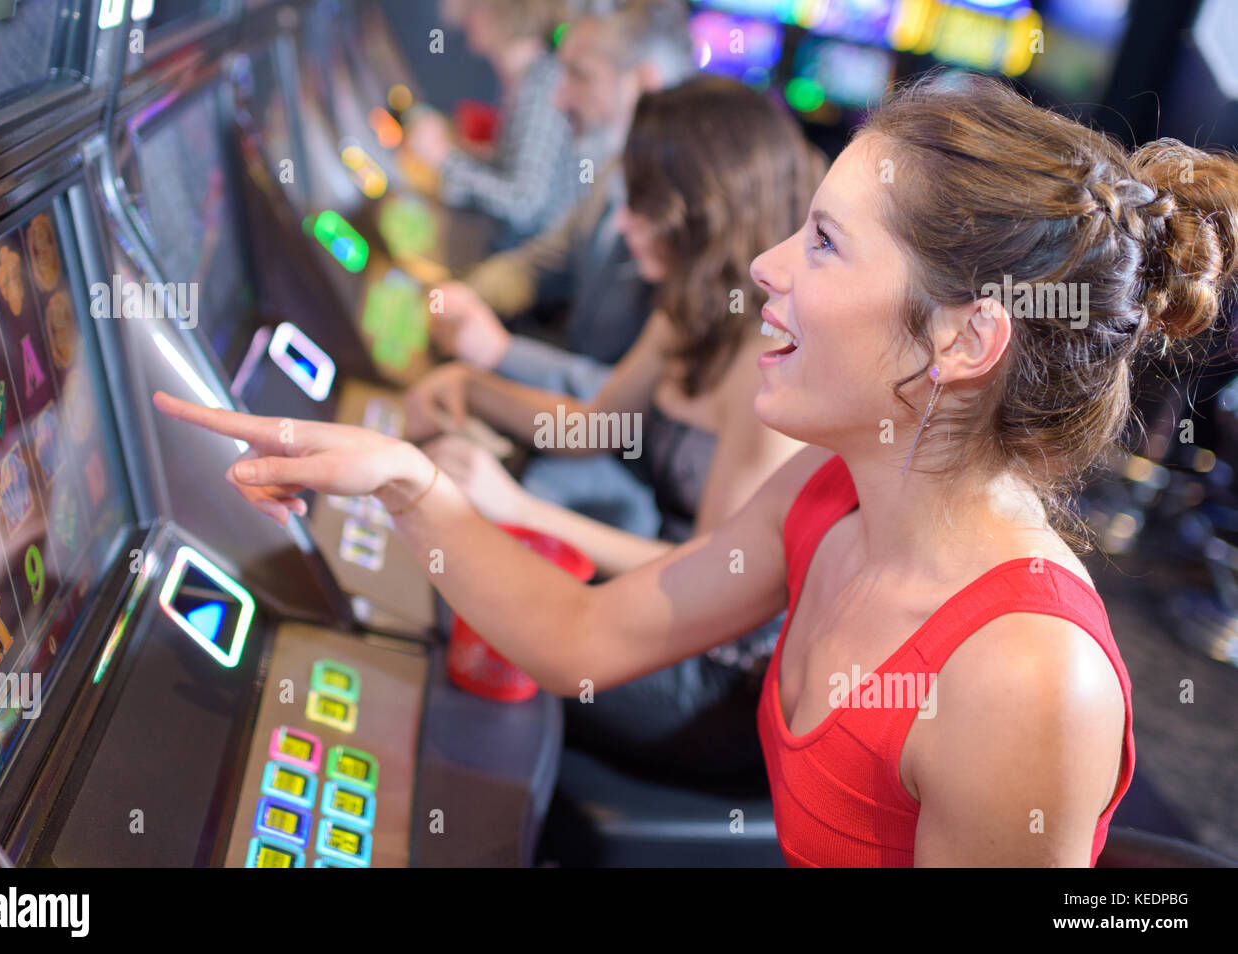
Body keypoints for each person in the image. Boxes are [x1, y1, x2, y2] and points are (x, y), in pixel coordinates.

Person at [152, 71, 1238, 864]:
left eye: (821, 244)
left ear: (960, 341)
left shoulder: (1026, 677)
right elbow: (580, 637)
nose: (763, 267)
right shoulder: (827, 497)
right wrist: (403, 479)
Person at [407, 76, 822, 776]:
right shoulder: (689, 302)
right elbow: (596, 426)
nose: (623, 224)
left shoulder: (768, 358)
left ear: (705, 212)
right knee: (461, 577)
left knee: (466, 606)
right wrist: (471, 388)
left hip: (716, 678)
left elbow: (716, 572)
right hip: (664, 601)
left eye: (642, 205)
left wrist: (516, 508)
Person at [428, 0, 695, 388]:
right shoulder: (611, 173)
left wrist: (501, 352)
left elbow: (631, 406)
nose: (559, 99)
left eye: (580, 76)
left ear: (645, 83)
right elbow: (544, 261)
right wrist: (465, 295)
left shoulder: (684, 215)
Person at [404, 0, 581, 247]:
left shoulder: (542, 86)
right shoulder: (528, 79)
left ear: (505, 12)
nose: (466, 18)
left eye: (475, 8)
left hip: (530, 257)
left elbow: (524, 200)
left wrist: (444, 158)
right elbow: (512, 169)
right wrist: (458, 154)